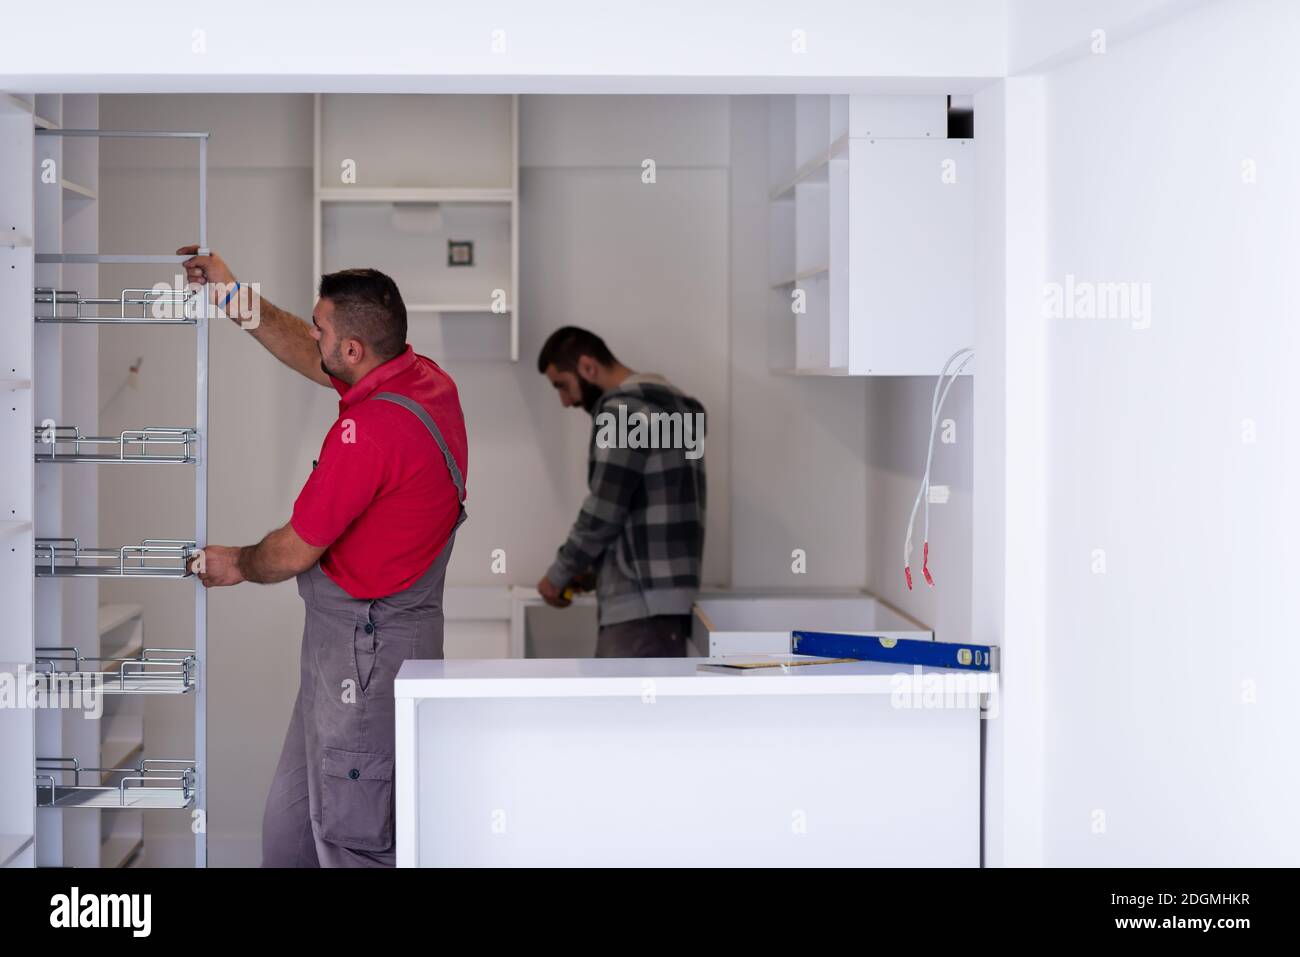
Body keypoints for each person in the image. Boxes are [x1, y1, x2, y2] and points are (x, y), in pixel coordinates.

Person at [177, 245, 467, 867]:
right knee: (290, 836)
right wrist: (229, 294)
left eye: (323, 329)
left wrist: (236, 563)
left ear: (355, 350)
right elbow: (302, 348)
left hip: (368, 650)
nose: (314, 338)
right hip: (348, 642)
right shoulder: (422, 378)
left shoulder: (370, 434)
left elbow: (292, 551)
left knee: (352, 837)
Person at [535, 326, 706, 657]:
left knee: (618, 709)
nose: (566, 401)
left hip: (636, 610)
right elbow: (646, 509)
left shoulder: (623, 413)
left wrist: (559, 575)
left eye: (562, 386)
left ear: (587, 366)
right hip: (671, 605)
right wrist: (594, 572)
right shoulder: (680, 408)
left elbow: (603, 511)